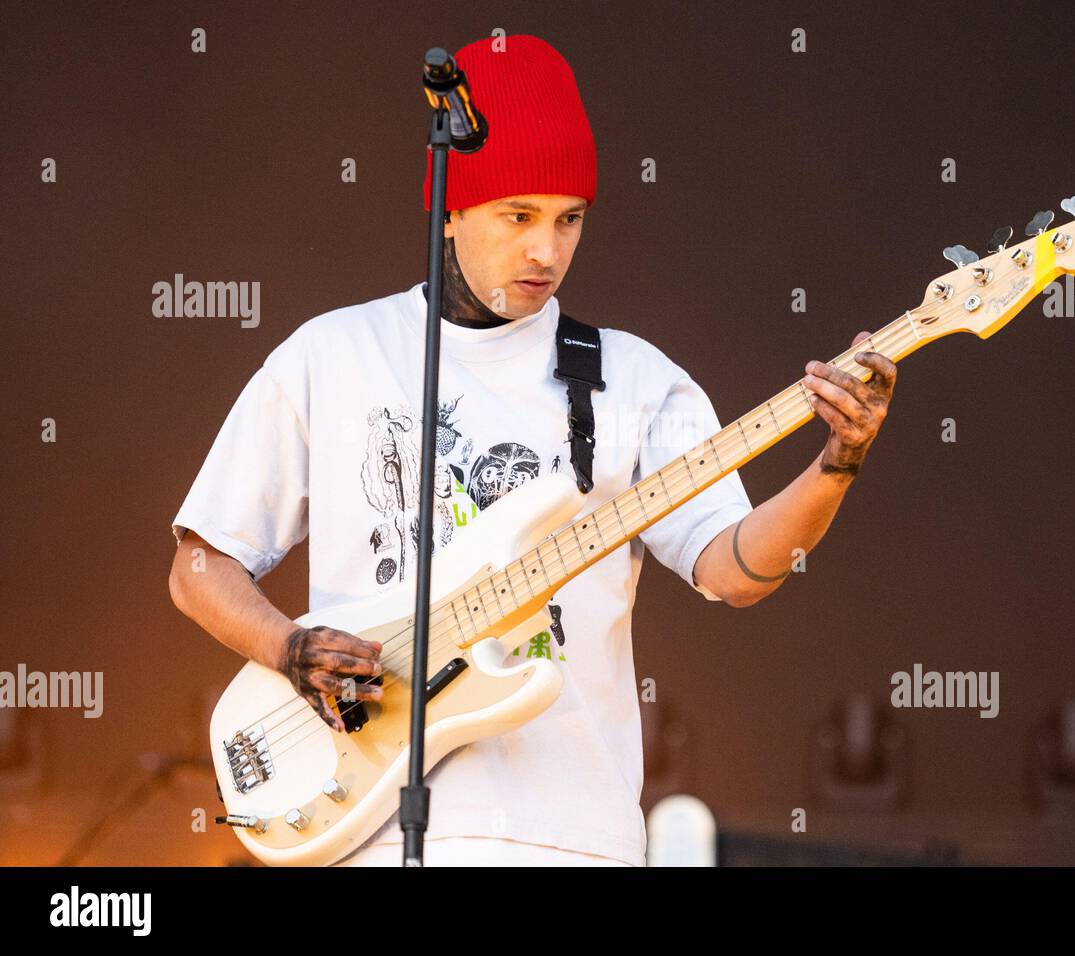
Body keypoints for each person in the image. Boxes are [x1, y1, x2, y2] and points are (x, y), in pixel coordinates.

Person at [167, 34, 897, 867]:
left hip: (573, 838)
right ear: (449, 206)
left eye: (568, 219)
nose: (546, 252)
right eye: (518, 216)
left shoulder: (631, 378)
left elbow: (733, 569)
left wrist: (836, 464)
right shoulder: (332, 354)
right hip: (367, 828)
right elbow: (199, 567)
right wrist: (287, 649)